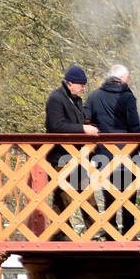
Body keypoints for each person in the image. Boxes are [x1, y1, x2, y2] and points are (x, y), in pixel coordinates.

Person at [85, 64, 140, 237]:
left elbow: (86, 120)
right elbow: (135, 127)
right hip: (127, 153)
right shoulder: (127, 97)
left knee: (109, 193)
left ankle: (111, 232)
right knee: (129, 194)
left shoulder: (94, 96)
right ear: (123, 79)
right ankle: (129, 232)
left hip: (104, 153)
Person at [44, 65, 99, 237]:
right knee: (64, 196)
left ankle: (93, 230)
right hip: (60, 156)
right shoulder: (56, 99)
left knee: (84, 193)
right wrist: (83, 128)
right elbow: (56, 126)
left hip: (77, 155)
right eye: (81, 84)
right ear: (70, 83)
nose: (83, 88)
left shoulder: (75, 100)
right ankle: (61, 232)